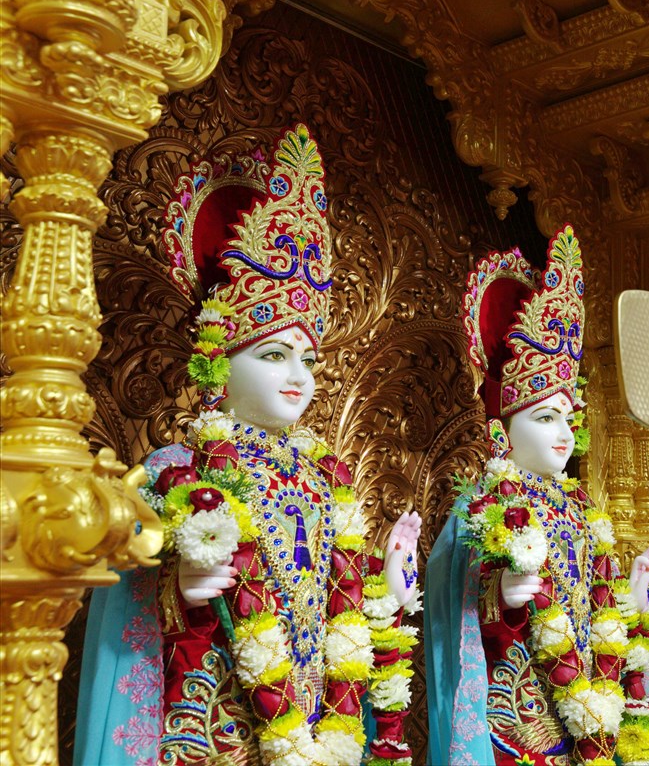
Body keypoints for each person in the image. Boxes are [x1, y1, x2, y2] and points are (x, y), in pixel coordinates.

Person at [76, 125, 423, 766]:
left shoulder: (327, 478)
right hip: (219, 723)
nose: (298, 377)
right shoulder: (176, 471)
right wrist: (178, 585)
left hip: (323, 724)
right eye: (273, 354)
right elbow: (131, 605)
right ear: (218, 359)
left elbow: (336, 595)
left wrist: (389, 593)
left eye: (308, 359)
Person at [425, 226, 649, 766]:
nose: (563, 433)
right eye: (546, 416)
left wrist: (632, 601)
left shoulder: (581, 512)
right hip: (519, 721)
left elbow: (597, 608)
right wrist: (500, 599)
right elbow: (457, 613)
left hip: (592, 720)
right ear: (503, 425)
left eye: (568, 417)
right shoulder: (484, 507)